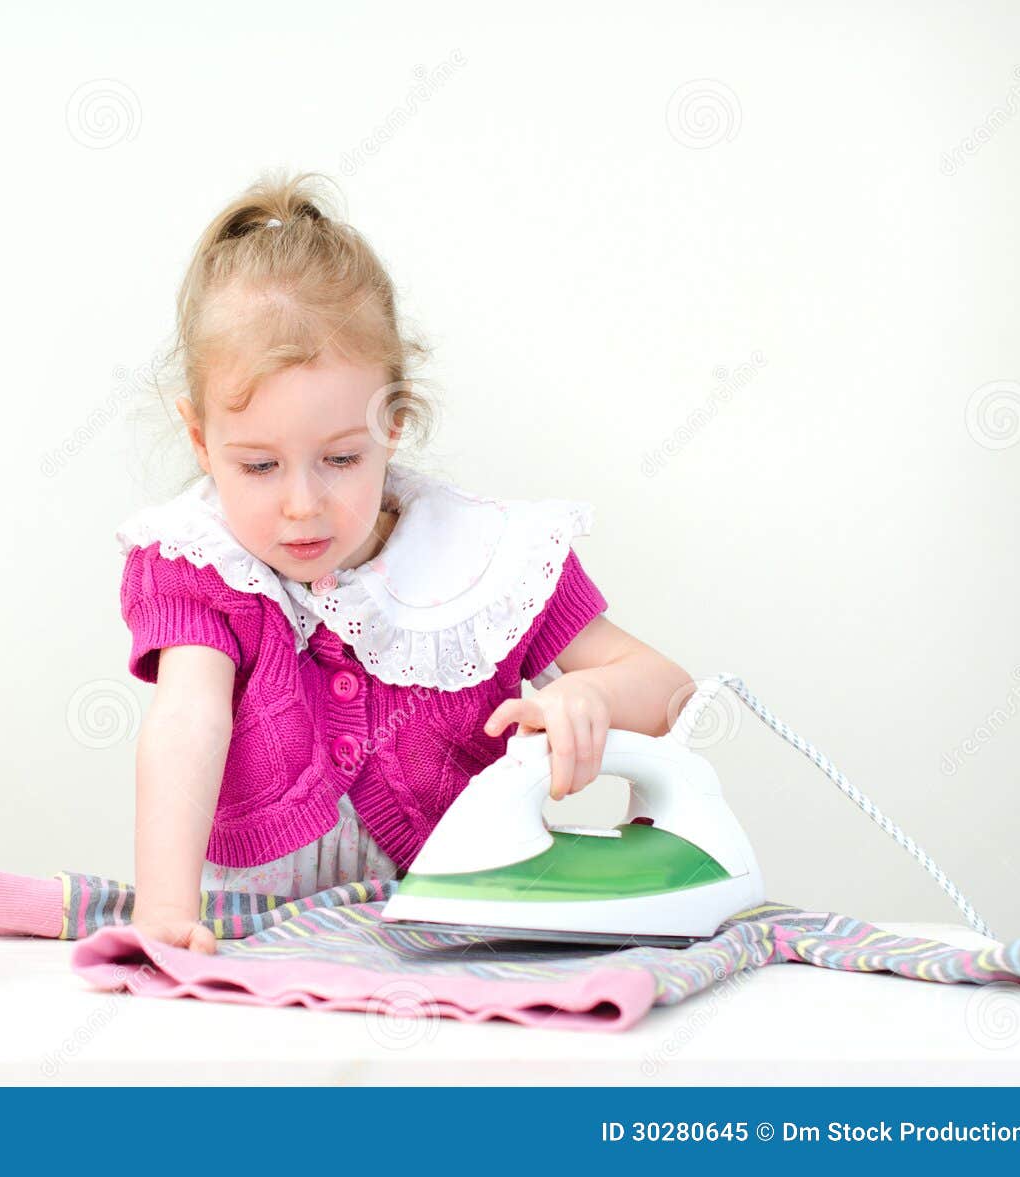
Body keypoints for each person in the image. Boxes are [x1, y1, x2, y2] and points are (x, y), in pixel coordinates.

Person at [116, 170, 693, 954]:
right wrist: (163, 914)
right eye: (258, 466)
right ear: (199, 441)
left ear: (393, 422)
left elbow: (669, 694)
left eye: (341, 458)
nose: (302, 505)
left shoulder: (488, 563)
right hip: (252, 947)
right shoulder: (202, 566)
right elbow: (189, 717)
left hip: (453, 947)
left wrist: (589, 694)